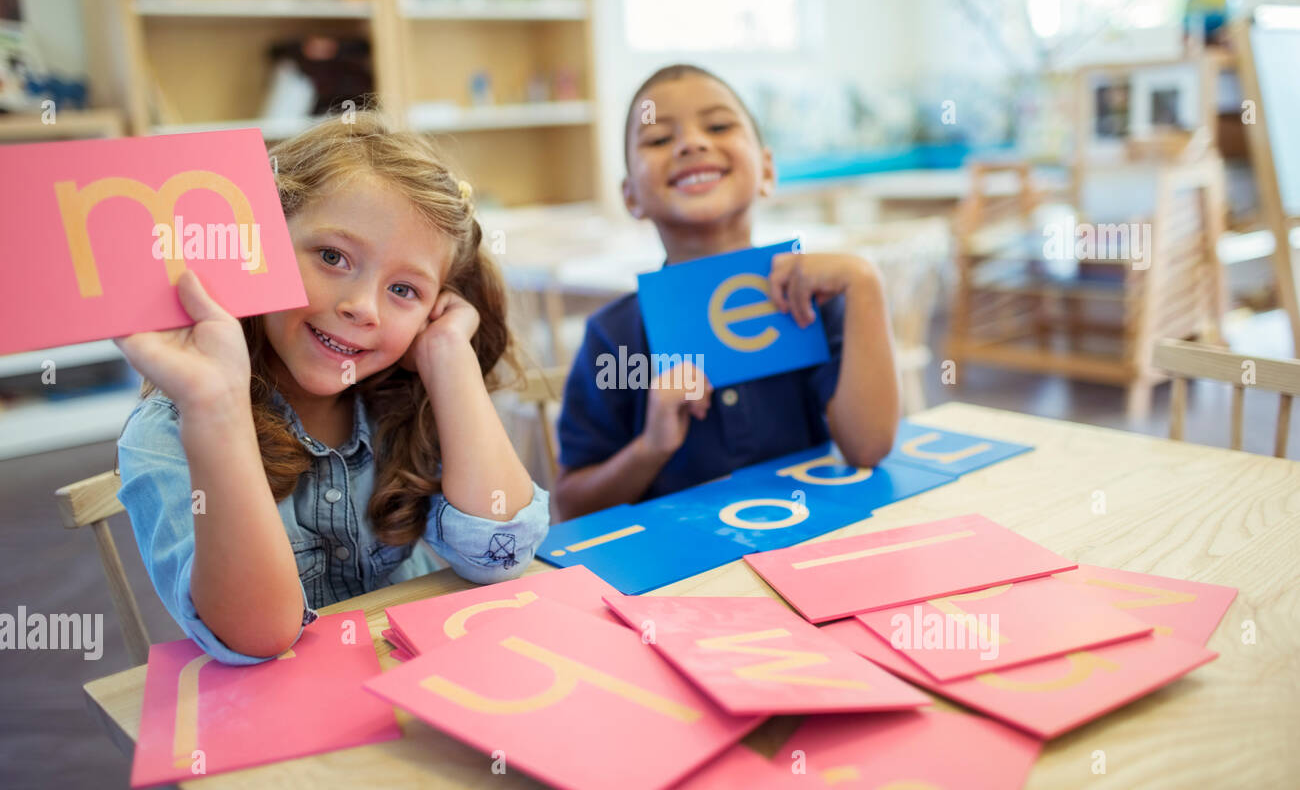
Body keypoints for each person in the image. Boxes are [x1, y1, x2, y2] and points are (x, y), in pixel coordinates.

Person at [115, 111, 548, 664]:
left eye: (404, 290)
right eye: (332, 257)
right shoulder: (170, 433)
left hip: (419, 687)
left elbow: (499, 555)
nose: (361, 307)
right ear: (259, 248)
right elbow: (260, 635)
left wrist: (448, 356)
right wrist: (214, 408)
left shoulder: (407, 399)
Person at [554, 64, 899, 520]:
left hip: (808, 544)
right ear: (631, 196)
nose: (692, 143)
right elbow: (572, 508)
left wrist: (865, 282)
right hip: (678, 575)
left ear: (767, 169)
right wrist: (650, 448)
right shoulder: (612, 337)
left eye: (718, 126)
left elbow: (868, 448)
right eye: (658, 139)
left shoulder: (812, 301)